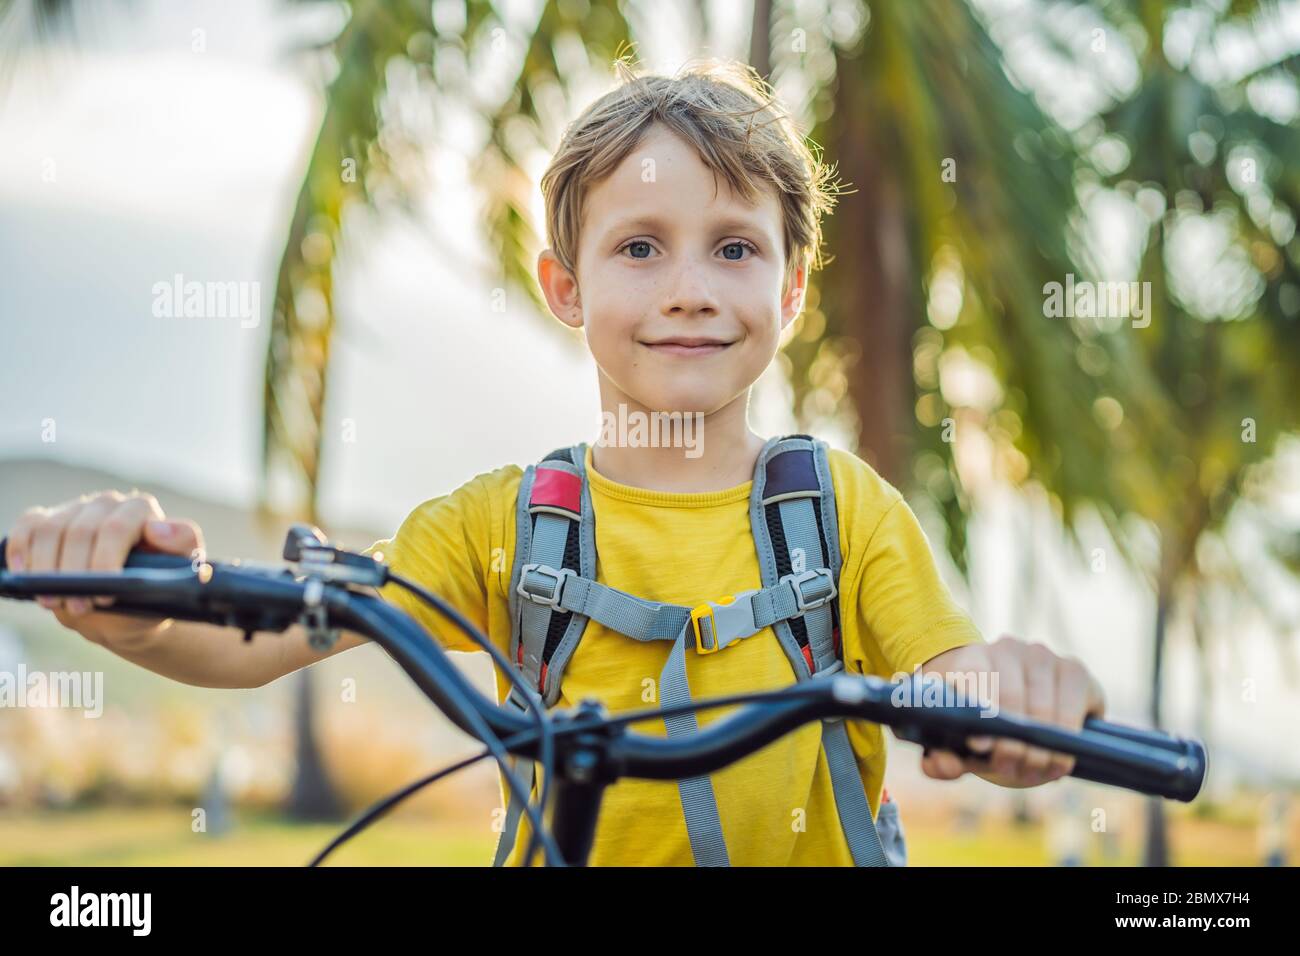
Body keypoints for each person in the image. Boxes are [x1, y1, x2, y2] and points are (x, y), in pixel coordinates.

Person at [3, 58, 1105, 866]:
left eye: (734, 246)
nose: (688, 287)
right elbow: (270, 635)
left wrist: (1009, 692)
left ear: (792, 287)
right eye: (639, 246)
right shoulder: (502, 525)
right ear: (564, 285)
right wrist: (135, 608)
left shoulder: (840, 511)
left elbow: (955, 673)